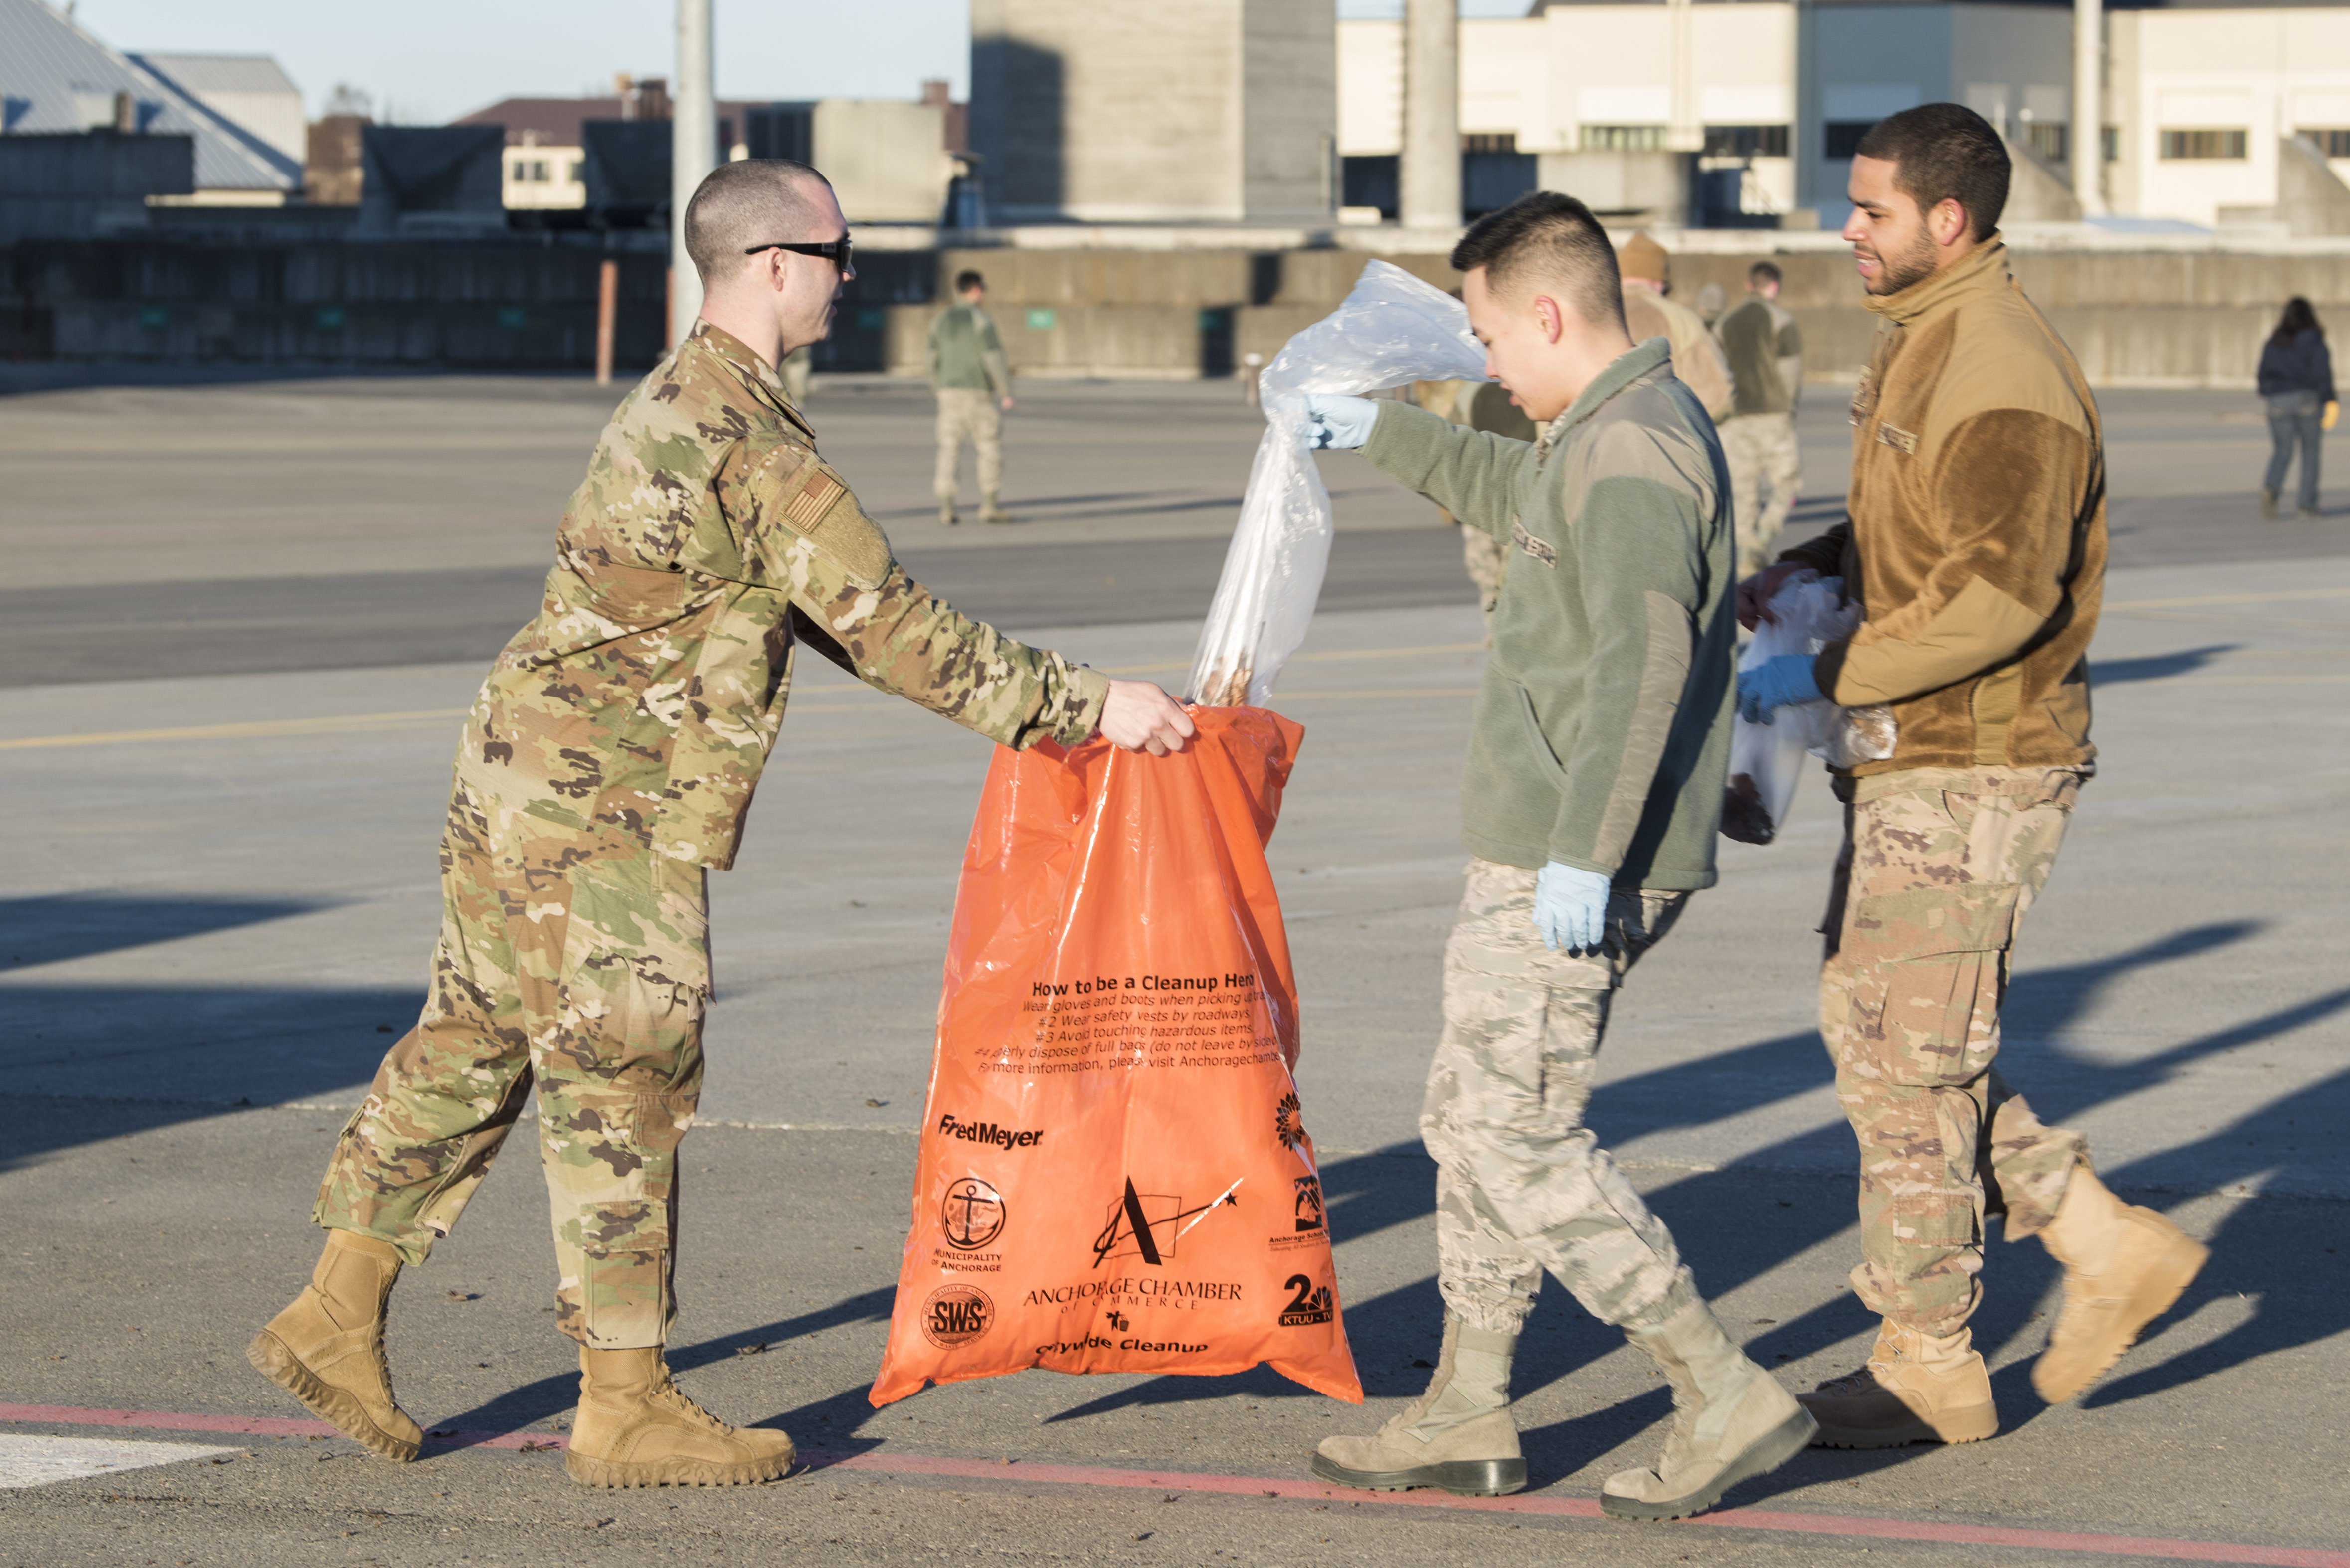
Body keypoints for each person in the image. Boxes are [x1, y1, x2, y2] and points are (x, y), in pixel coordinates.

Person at [246, 159, 1194, 1491]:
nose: (851, 276)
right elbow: (893, 626)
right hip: (605, 803)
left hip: (519, 773)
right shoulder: (743, 436)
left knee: (476, 1039)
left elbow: (838, 622)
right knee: (623, 1068)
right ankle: (623, 1402)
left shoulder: (685, 397)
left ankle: (336, 1312)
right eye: (840, 251)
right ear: (774, 264)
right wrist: (1092, 704)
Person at [1297, 190, 1812, 1521]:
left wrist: (1586, 854)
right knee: (1467, 1127)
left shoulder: (1637, 448)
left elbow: (1639, 666)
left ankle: (1720, 1390)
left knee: (1520, 1137)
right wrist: (1376, 431)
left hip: (1572, 861)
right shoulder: (1593, 433)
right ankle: (1468, 1405)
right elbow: (1504, 485)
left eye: (1486, 339)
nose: (1485, 367)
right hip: (1536, 847)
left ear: (1545, 312)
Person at [1737, 103, 2208, 1452]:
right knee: (1889, 1038)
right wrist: (1820, 570)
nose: (1847, 229)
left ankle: (1927, 1356)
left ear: (1948, 221)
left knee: (1906, 1059)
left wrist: (1830, 676)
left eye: (1870, 209)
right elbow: (1922, 529)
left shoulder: (2001, 363)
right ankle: (2095, 1233)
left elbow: (2001, 589)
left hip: (1980, 759)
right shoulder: (1930, 341)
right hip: (1920, 753)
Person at [1410, 377, 1538, 636]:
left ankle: (1499, 638)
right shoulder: (1542, 387)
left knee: (1491, 582)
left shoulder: (1470, 392)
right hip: (1531, 500)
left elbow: (1453, 451)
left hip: (1487, 503)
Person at [1713, 260, 1807, 575]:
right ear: (1774, 287)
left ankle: (1746, 556)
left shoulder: (1723, 324)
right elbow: (1790, 373)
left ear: (1749, 285)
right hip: (1773, 415)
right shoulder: (1782, 321)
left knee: (1743, 491)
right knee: (1788, 483)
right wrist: (1789, 410)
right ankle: (1765, 534)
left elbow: (1715, 373)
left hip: (1735, 417)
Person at [1618, 230, 1734, 422]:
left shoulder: (1587, 314)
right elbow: (1717, 398)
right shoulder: (1681, 320)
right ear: (1659, 281)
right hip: (1659, 442)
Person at [929, 269, 1014, 525]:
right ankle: (989, 505)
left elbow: (931, 359)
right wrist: (1005, 391)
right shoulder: (982, 321)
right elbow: (993, 358)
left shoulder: (941, 321)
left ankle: (947, 508)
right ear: (976, 289)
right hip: (977, 393)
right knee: (989, 448)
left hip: (948, 394)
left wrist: (939, 388)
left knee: (949, 450)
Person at [2257, 297, 2336, 520]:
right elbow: (2322, 372)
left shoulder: (2274, 341)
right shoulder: (2313, 339)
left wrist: (2270, 392)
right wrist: (2329, 398)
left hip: (2278, 401)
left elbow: (2262, 373)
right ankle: (2306, 504)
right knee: (2310, 453)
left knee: (2282, 451)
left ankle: (2271, 487)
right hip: (2306, 400)